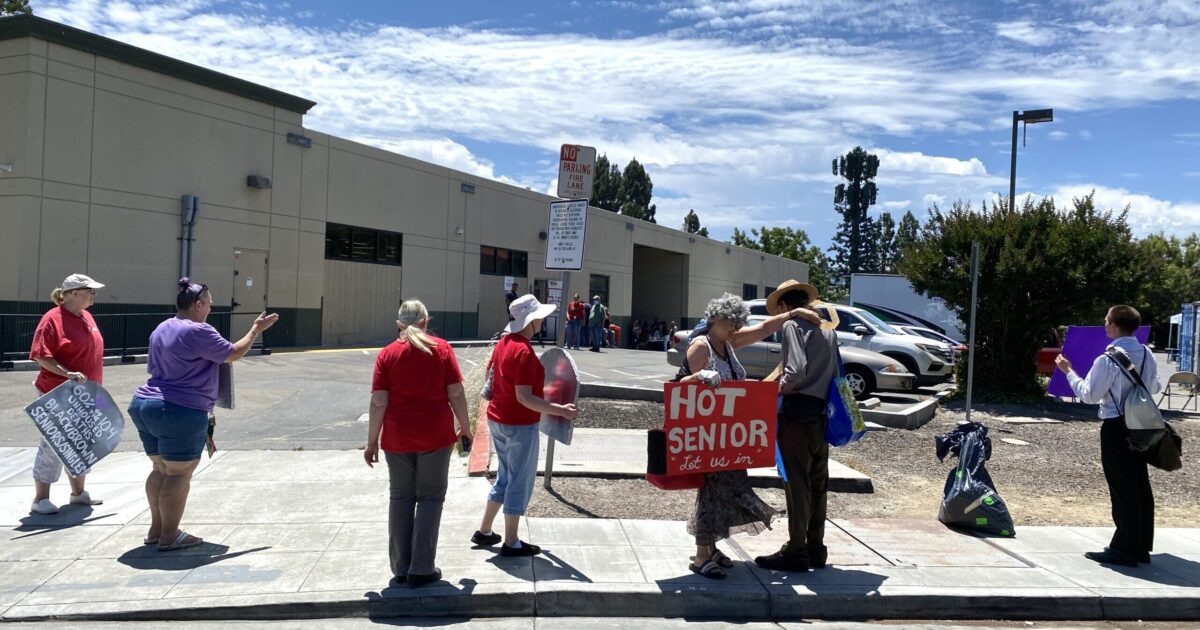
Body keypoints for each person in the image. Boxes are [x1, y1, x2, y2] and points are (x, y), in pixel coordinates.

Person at [675, 292, 820, 579]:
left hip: (728, 435)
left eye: (738, 324)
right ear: (715, 319)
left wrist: (794, 314)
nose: (736, 329)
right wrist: (700, 377)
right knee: (710, 493)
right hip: (708, 436)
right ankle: (702, 555)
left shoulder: (727, 343)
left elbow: (765, 329)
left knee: (728, 492)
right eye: (732, 324)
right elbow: (682, 388)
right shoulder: (701, 347)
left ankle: (712, 547)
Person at [128, 278, 278, 551]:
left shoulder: (162, 327)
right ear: (197, 305)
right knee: (178, 474)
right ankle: (170, 536)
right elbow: (232, 354)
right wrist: (255, 330)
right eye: (208, 304)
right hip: (179, 409)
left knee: (160, 468)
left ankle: (157, 529)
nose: (210, 308)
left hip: (144, 404)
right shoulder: (199, 331)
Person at [364, 299, 471, 588]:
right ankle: (421, 567)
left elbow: (378, 402)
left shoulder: (387, 355)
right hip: (435, 435)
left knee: (400, 498)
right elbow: (457, 394)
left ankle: (400, 566)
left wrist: (372, 441)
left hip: (397, 438)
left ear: (399, 324)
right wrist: (465, 425)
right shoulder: (441, 349)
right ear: (426, 321)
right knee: (430, 498)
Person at [1056, 305, 1161, 568]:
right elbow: (1156, 386)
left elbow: (1089, 394)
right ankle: (1140, 546)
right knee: (1139, 484)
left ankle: (1124, 548)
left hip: (1116, 425)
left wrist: (1068, 371)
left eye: (1106, 320)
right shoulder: (1148, 354)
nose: (1104, 324)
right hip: (1141, 424)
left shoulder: (1108, 359)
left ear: (1114, 324)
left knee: (1122, 486)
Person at [473, 295, 578, 556]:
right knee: (519, 481)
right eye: (539, 317)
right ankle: (511, 541)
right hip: (518, 424)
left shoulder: (504, 343)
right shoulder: (523, 351)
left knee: (505, 476)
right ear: (531, 321)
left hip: (497, 418)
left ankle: (485, 531)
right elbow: (525, 397)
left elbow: (491, 377)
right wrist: (560, 410)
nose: (542, 320)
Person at [754, 280, 838, 573]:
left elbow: (796, 371)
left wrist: (775, 391)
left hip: (796, 415)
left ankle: (796, 550)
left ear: (785, 307)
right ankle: (816, 547)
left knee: (797, 485)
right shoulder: (828, 330)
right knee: (818, 484)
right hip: (821, 415)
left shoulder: (792, 326)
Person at [27, 274, 108, 515]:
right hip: (57, 391)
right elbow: (41, 355)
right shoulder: (52, 319)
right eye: (89, 291)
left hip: (84, 393)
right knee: (54, 443)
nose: (94, 294)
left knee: (81, 442)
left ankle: (78, 494)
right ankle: (40, 498)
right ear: (73, 293)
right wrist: (68, 373)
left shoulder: (86, 316)